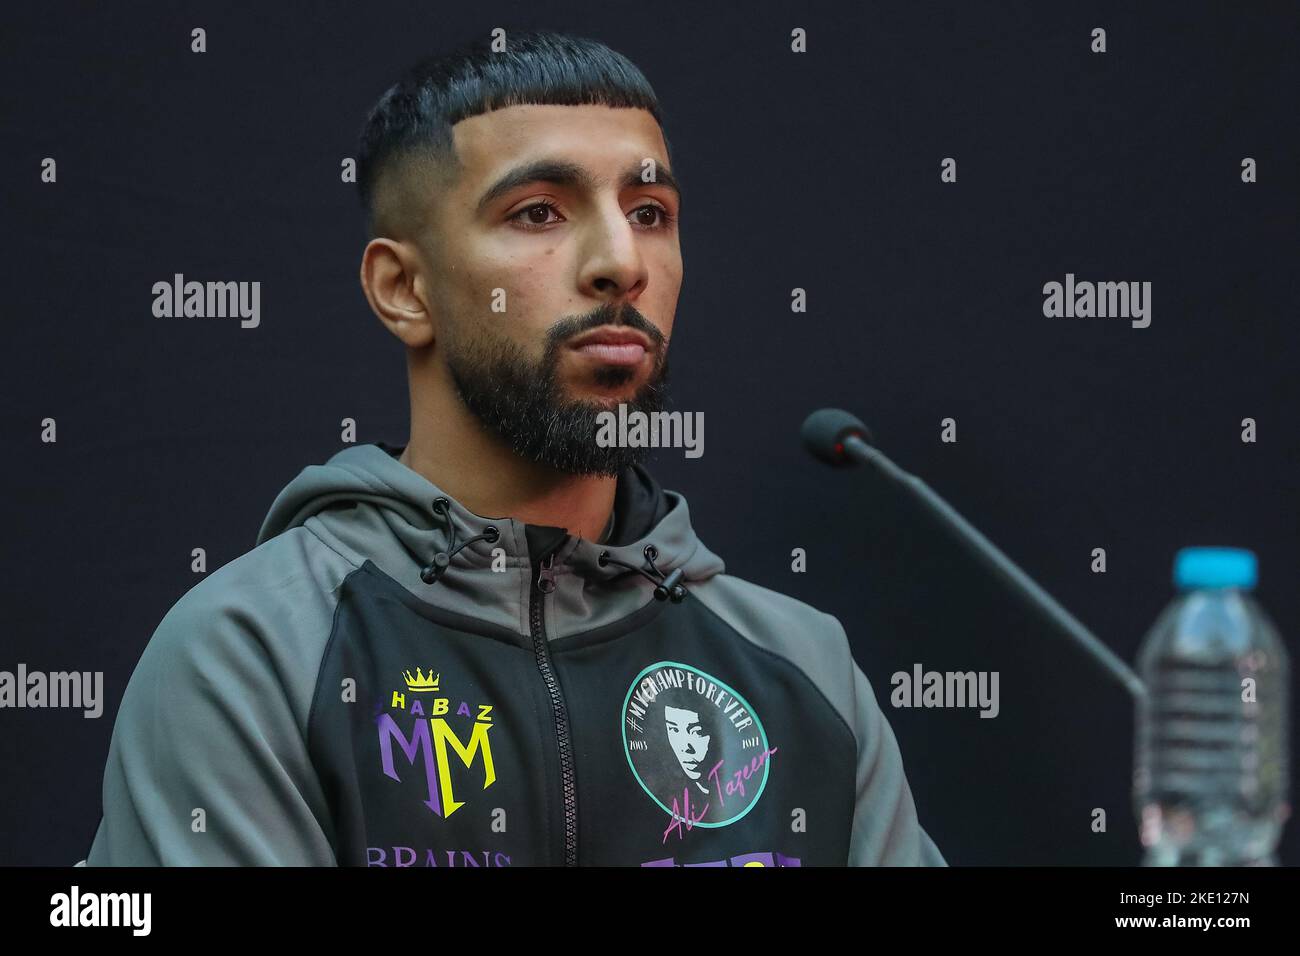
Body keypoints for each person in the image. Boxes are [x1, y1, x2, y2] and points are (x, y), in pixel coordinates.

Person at [83, 29, 944, 867]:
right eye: (539, 212)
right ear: (403, 289)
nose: (621, 261)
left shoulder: (804, 665)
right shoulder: (254, 652)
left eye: (650, 212)